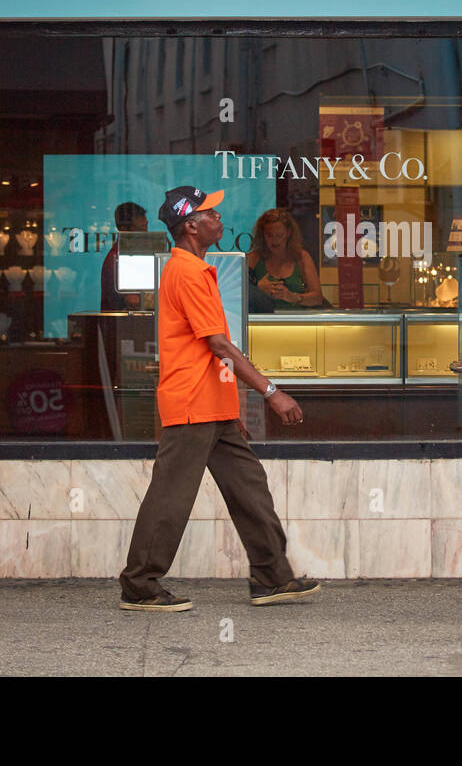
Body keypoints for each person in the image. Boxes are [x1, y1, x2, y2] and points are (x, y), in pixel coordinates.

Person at [118, 185, 320, 611]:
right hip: (192, 404)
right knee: (170, 498)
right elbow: (219, 346)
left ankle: (272, 577)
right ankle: (139, 584)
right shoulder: (187, 273)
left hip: (214, 406)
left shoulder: (198, 269)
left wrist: (231, 407)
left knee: (249, 487)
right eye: (211, 213)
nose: (220, 218)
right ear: (191, 225)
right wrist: (271, 392)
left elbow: (215, 348)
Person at [247, 208, 324, 308]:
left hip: (296, 322)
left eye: (279, 235)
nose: (275, 240)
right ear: (262, 235)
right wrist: (256, 289)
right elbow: (235, 298)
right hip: (262, 322)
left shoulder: (302, 257)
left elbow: (317, 298)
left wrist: (294, 297)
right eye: (270, 235)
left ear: (288, 233)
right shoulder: (253, 259)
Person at [100, 201, 148, 311]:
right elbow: (132, 301)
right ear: (124, 229)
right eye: (140, 230)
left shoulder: (137, 255)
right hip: (123, 324)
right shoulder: (116, 259)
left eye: (146, 227)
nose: (146, 234)